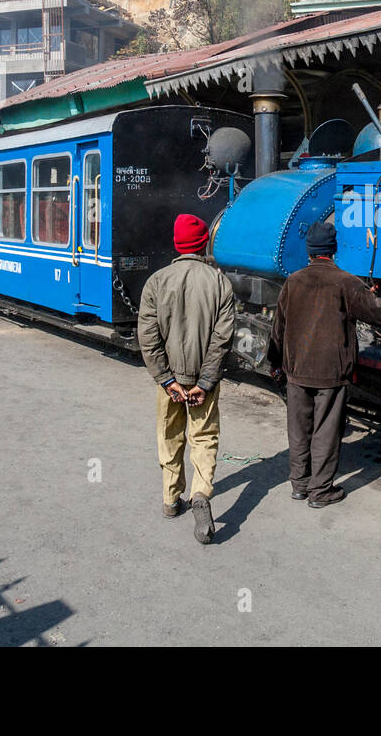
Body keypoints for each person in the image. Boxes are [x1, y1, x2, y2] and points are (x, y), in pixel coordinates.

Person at [267, 221, 381, 509]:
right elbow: (380, 312)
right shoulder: (346, 282)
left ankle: (299, 485)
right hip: (331, 372)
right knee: (326, 429)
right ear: (333, 250)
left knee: (299, 428)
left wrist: (275, 362)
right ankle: (320, 491)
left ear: (310, 251)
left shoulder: (293, 281)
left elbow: (278, 328)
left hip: (297, 369)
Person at [137, 214, 235, 545]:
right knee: (204, 437)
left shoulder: (156, 282)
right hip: (203, 384)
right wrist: (205, 382)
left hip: (170, 383)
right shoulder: (220, 283)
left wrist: (166, 380)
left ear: (177, 244)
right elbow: (223, 338)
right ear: (204, 242)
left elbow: (147, 337)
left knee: (170, 436)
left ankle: (170, 499)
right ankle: (201, 492)